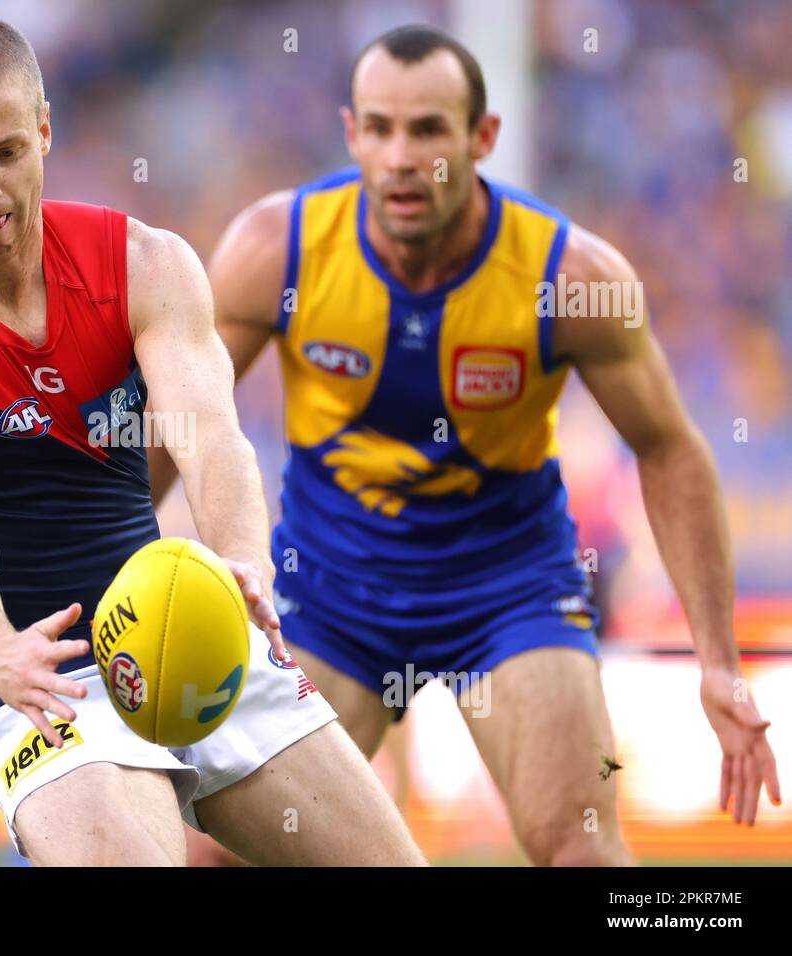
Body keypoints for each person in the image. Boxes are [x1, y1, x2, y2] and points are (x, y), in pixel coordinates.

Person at [152, 24, 781, 866]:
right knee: (213, 854)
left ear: (483, 139)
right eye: (380, 129)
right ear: (352, 134)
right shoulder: (278, 251)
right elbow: (172, 420)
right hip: (329, 596)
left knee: (585, 853)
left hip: (510, 595)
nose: (402, 157)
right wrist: (88, 568)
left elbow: (668, 448)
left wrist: (717, 662)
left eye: (428, 130)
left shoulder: (570, 276)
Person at [0, 14, 424, 867]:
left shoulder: (144, 262)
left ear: (46, 131)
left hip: (186, 634)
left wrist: (244, 558)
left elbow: (210, 437)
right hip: (39, 682)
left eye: (6, 152)